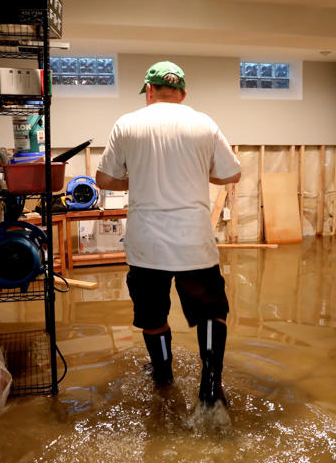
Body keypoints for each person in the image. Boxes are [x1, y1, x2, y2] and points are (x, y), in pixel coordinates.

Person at [96, 61, 241, 408]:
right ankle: (210, 385)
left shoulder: (127, 124)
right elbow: (231, 174)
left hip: (147, 243)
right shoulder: (203, 123)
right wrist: (195, 173)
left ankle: (162, 375)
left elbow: (104, 179)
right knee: (210, 312)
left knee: (152, 315)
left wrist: (141, 177)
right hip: (194, 240)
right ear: (183, 93)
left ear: (149, 90)